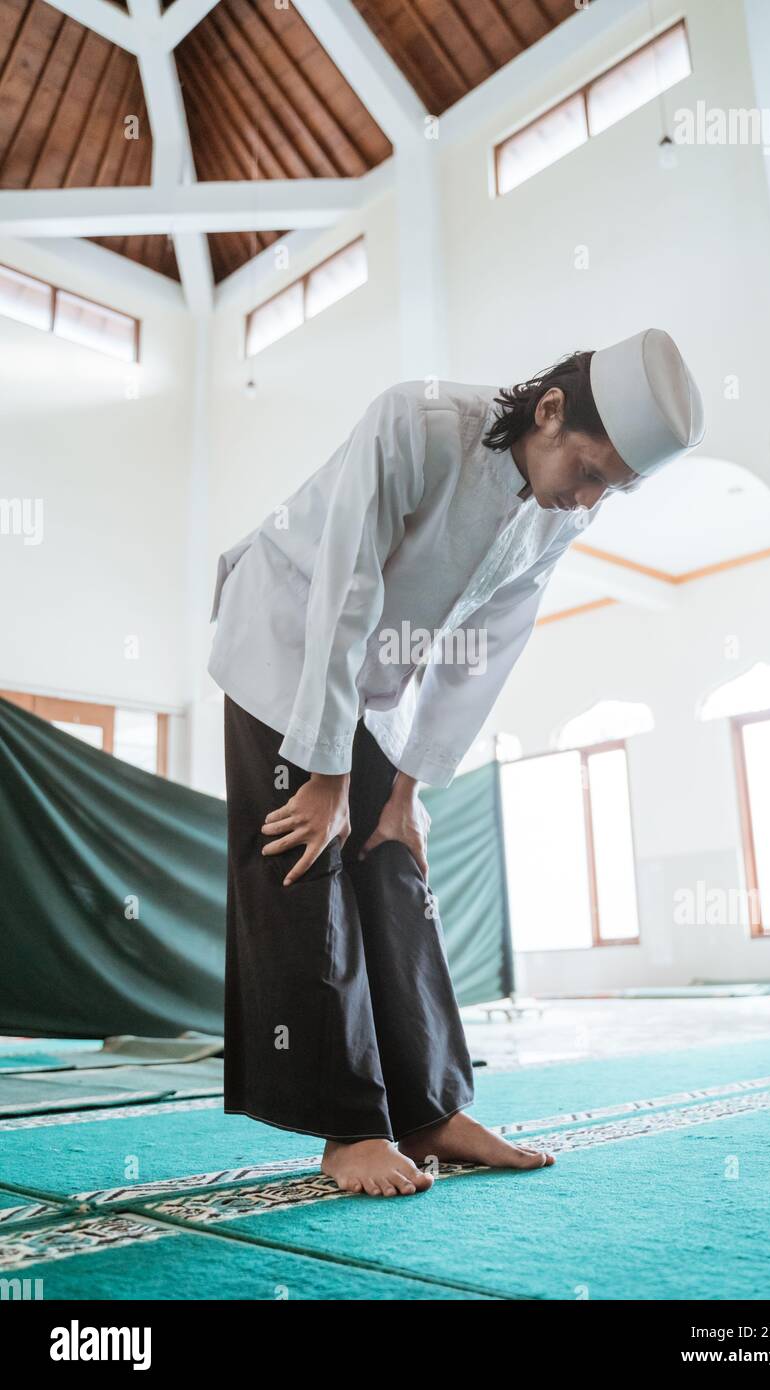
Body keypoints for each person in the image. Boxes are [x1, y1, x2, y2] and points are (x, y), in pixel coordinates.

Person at [208, 328, 705, 1198]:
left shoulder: (563, 512)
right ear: (550, 411)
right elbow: (345, 582)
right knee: (306, 851)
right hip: (285, 641)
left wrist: (405, 790)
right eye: (591, 471)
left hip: (377, 678)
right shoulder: (417, 421)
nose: (590, 498)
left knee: (392, 861)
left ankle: (431, 1109)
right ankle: (349, 1126)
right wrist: (326, 778)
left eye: (610, 489)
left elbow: (483, 650)